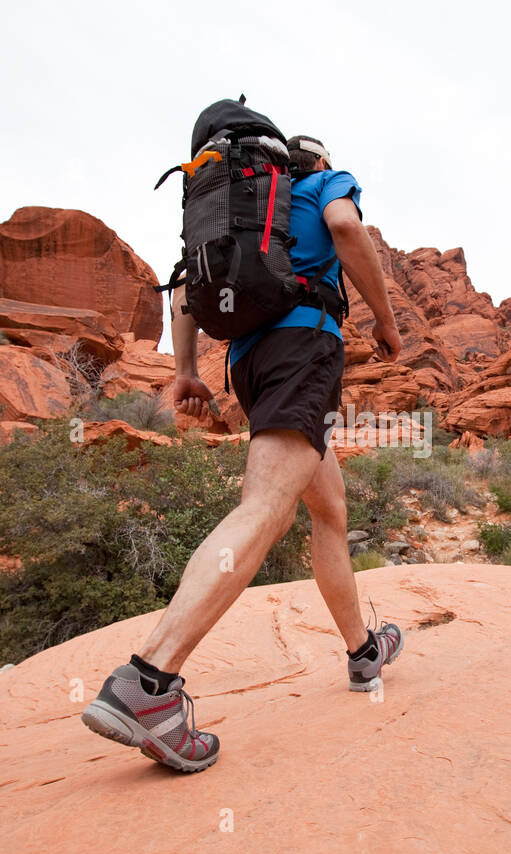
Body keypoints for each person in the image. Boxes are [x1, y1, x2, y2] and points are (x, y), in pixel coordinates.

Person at [81, 134, 405, 772]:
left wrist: (181, 370)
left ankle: (363, 650)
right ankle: (149, 683)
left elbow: (183, 292)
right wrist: (387, 321)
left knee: (329, 508)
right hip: (302, 351)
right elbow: (345, 226)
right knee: (266, 506)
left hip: (249, 364)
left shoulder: (238, 211)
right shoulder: (321, 187)